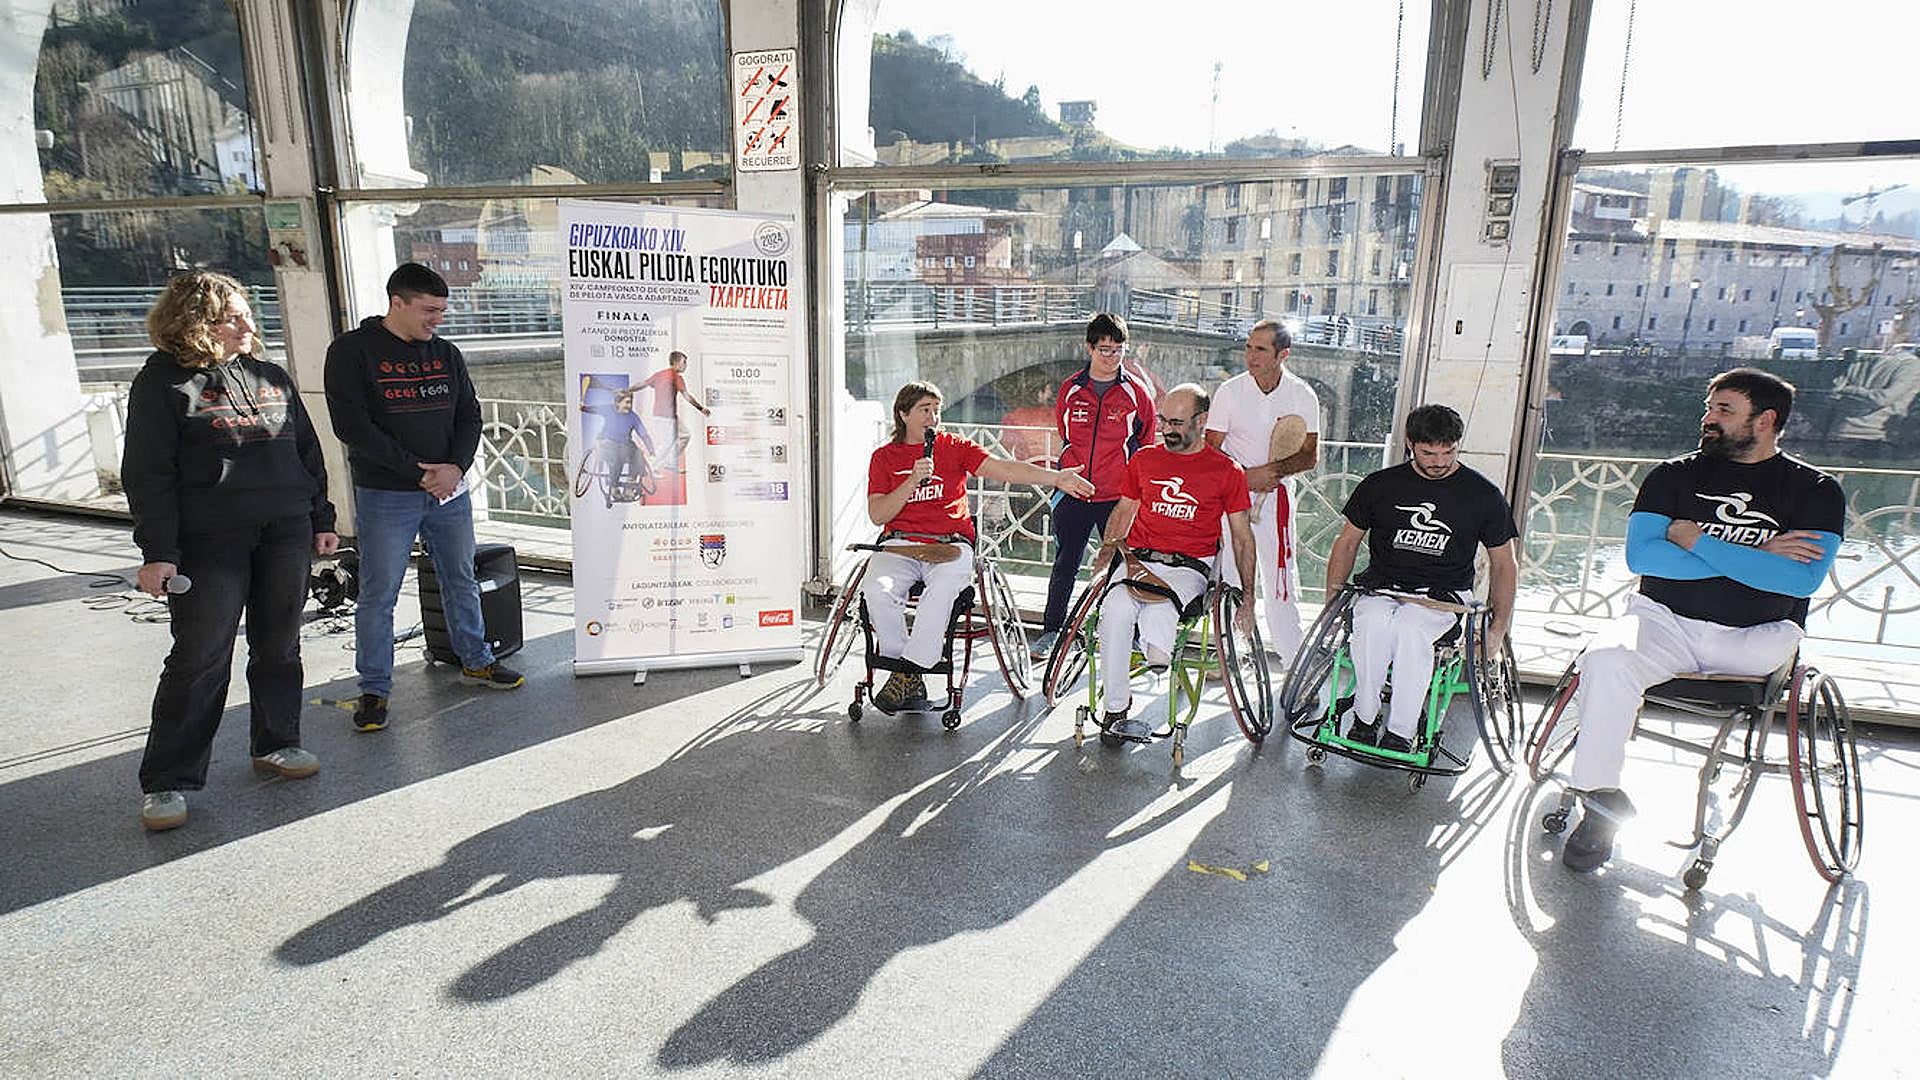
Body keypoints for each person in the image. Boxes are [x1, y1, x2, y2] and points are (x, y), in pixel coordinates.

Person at [1560, 368, 1844, 873]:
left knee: (1769, 631)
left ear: (1765, 420)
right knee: (1604, 661)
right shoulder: (1672, 476)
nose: (1709, 418)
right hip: (1664, 622)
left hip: (1754, 640)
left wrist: (1695, 541)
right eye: (1709, 408)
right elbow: (1644, 558)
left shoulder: (1816, 490)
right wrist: (1760, 552)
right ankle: (1600, 805)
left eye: (1724, 410)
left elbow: (1800, 581)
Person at [121, 271, 339, 831]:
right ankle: (168, 779)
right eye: (230, 317)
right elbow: (148, 474)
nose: (247, 325)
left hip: (285, 529)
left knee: (280, 645)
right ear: (194, 324)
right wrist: (158, 552)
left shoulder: (270, 376)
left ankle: (277, 742)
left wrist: (321, 518)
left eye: (246, 314)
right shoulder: (161, 384)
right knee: (201, 656)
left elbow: (307, 452)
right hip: (209, 540)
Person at [323, 262, 523, 735]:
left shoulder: (446, 353)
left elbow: (470, 416)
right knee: (379, 594)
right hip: (387, 494)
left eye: (442, 311)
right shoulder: (351, 352)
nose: (438, 320)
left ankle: (476, 659)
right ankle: (375, 688)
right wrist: (418, 473)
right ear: (398, 302)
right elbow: (352, 427)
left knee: (461, 579)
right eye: (429, 310)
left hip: (449, 491)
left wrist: (455, 468)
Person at [864, 380, 1095, 713]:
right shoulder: (884, 458)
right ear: (903, 414)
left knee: (941, 591)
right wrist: (912, 480)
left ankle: (908, 671)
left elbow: (1005, 469)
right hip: (901, 544)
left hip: (950, 544)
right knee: (877, 591)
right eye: (924, 410)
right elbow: (878, 515)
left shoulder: (954, 446)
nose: (933, 418)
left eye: (936, 410)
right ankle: (906, 672)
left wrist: (1056, 478)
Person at [1322, 404, 1518, 754]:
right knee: (1372, 624)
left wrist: (1497, 629)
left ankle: (1401, 729)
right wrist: (1331, 601)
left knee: (1411, 628)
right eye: (1428, 453)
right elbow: (1347, 542)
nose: (1439, 462)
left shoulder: (1482, 494)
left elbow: (1504, 563)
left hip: (1443, 595)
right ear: (1410, 444)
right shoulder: (1380, 485)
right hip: (1382, 586)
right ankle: (1364, 717)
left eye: (1449, 452)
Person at [1087, 384, 1257, 740]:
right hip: (1138, 559)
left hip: (1188, 566)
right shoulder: (1144, 459)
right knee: (1115, 610)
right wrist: (1104, 557)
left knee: (1162, 607)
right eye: (1163, 420)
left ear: (1202, 420)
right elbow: (1124, 511)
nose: (1166, 429)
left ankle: (1156, 651)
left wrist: (1249, 598)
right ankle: (1116, 708)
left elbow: (1242, 537)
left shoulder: (1226, 470)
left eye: (1176, 423)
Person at [1031, 312, 1157, 661]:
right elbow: (1065, 432)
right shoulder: (1071, 389)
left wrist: (1133, 489)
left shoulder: (1137, 393)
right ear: (1089, 348)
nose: (1112, 356)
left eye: (1118, 349)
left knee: (1122, 566)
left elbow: (1146, 443)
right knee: (1066, 563)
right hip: (1074, 490)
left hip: (1117, 497)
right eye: (1104, 349)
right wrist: (1067, 476)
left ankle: (1126, 635)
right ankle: (1052, 631)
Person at [1205, 318, 1321, 663]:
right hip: (1232, 498)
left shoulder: (1302, 394)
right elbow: (1210, 452)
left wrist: (1272, 473)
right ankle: (1231, 656)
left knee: (1280, 582)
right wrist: (1245, 478)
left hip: (1276, 500)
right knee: (1231, 577)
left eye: (1260, 349)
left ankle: (1292, 663)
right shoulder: (1230, 392)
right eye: (1248, 347)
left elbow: (1309, 455)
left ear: (1283, 354)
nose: (1250, 356)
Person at [580, 383, 656, 497]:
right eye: (627, 402)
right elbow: (594, 409)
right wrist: (583, 407)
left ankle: (629, 486)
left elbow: (644, 434)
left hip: (624, 444)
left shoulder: (633, 417)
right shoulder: (608, 409)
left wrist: (651, 450)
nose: (629, 406)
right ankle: (614, 487)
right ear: (617, 403)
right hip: (606, 442)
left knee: (638, 454)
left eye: (630, 402)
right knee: (617, 456)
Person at [641, 350, 711, 469]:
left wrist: (629, 390)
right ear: (677, 362)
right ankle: (651, 463)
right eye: (684, 362)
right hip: (666, 416)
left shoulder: (660, 374)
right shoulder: (676, 377)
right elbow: (687, 396)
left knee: (685, 435)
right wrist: (700, 408)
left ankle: (669, 461)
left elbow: (644, 384)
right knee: (668, 442)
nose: (685, 365)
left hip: (666, 415)